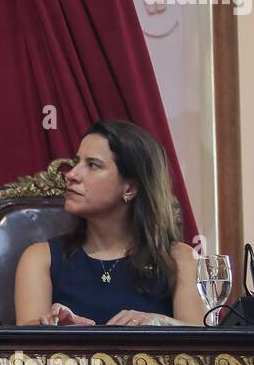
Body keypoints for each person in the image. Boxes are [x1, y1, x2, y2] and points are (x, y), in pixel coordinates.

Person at [13, 121, 205, 326]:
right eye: (77, 162)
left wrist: (160, 323)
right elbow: (25, 347)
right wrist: (58, 330)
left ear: (130, 188)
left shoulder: (181, 259)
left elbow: (205, 346)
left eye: (92, 165)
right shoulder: (41, 258)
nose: (71, 175)